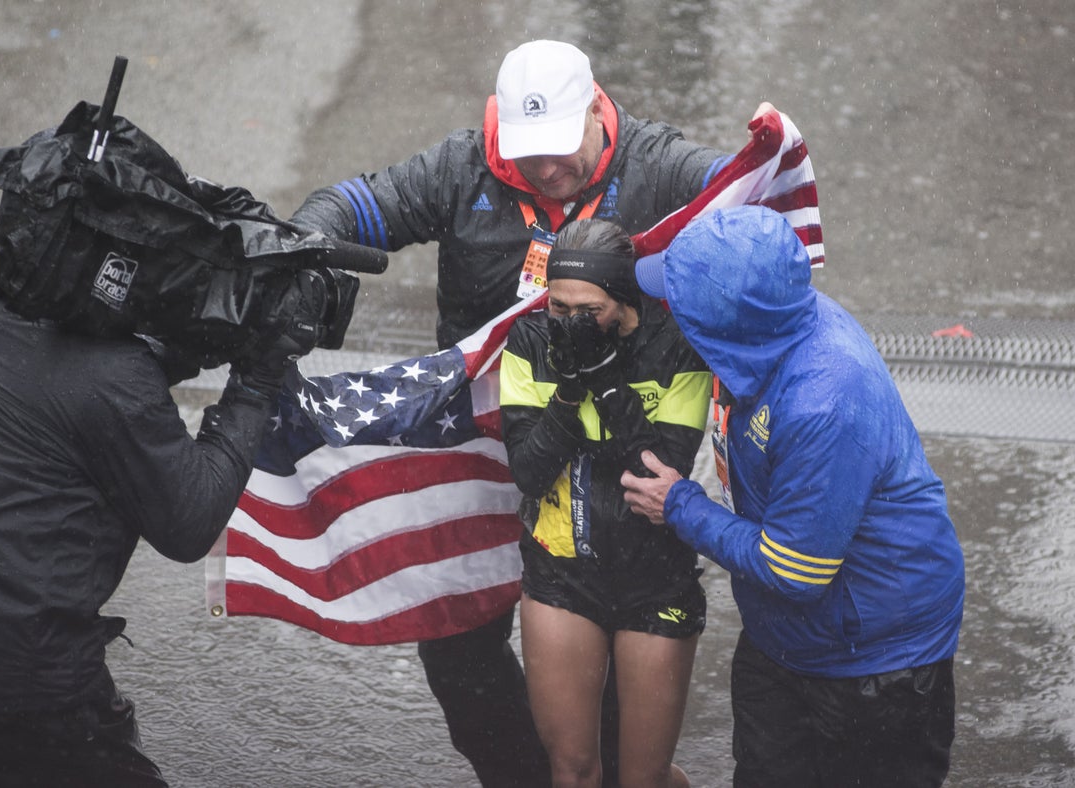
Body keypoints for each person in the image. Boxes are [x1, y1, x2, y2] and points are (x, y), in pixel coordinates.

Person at [291, 38, 774, 786]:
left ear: (597, 109)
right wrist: (300, 246)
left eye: (558, 151)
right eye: (527, 153)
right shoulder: (463, 165)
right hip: (485, 444)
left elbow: (746, 201)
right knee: (453, 642)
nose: (546, 170)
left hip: (614, 447)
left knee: (612, 695)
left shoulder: (657, 163)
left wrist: (767, 166)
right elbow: (360, 205)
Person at [0, 130, 343, 784]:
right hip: (26, 695)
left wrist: (182, 350)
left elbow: (48, 392)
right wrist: (256, 378)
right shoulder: (116, 380)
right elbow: (188, 525)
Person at [622, 204, 966, 788]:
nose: (670, 314)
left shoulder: (824, 399)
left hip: (878, 665)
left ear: (725, 324)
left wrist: (679, 505)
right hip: (783, 642)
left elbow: (796, 569)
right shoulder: (774, 324)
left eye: (683, 307)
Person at [499, 219, 710, 788]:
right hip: (561, 572)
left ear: (622, 299)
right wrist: (570, 393)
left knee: (645, 777)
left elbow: (659, 476)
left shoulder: (675, 347)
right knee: (572, 769)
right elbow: (528, 471)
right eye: (559, 306)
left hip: (656, 577)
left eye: (587, 309)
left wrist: (608, 381)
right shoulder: (529, 342)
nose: (570, 322)